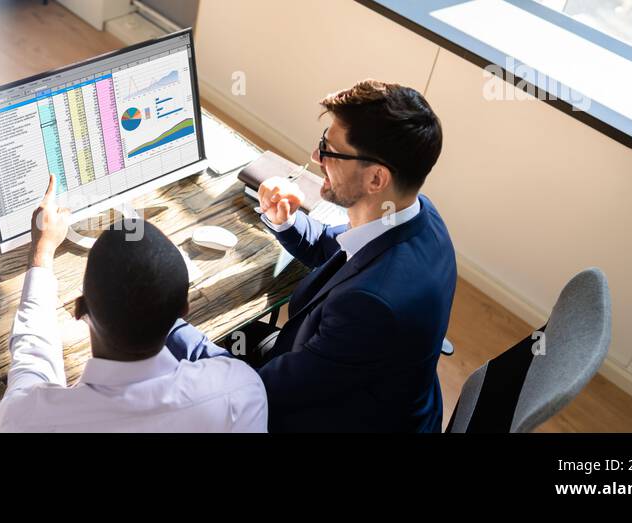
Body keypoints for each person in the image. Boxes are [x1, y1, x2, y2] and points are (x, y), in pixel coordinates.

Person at [167, 79, 456, 432]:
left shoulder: (373, 308)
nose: (316, 157)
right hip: (337, 377)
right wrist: (286, 221)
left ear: (376, 179)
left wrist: (158, 320)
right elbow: (338, 251)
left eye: (330, 150)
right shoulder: (418, 215)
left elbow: (255, 392)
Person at [0, 175, 268, 432]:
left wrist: (42, 252)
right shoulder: (240, 389)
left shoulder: (28, 419)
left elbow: (30, 365)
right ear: (184, 311)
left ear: (79, 311)